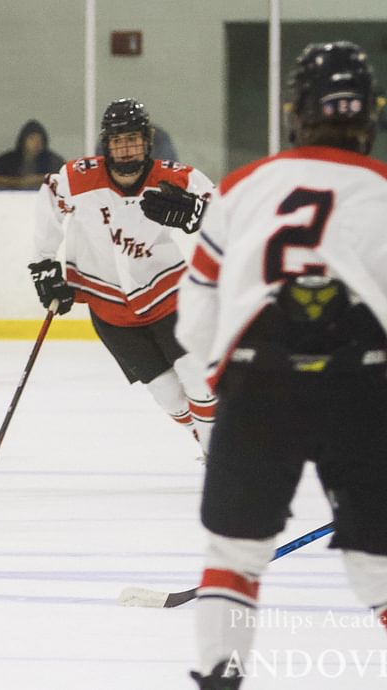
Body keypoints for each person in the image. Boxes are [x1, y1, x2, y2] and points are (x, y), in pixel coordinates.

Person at [176, 41, 387, 689]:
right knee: (381, 568)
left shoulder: (245, 185)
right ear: (369, 114)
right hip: (365, 384)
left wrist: (232, 387)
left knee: (234, 558)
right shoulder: (383, 190)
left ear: (296, 113)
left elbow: (196, 312)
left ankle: (219, 677)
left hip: (259, 379)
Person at [29, 98, 216, 459]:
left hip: (170, 298)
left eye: (132, 139)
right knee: (167, 394)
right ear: (106, 144)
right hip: (110, 308)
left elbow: (223, 211)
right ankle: (208, 442)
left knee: (196, 376)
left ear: (146, 140)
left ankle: (220, 456)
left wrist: (198, 213)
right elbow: (49, 198)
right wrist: (43, 264)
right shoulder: (78, 178)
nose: (125, 148)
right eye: (118, 141)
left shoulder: (173, 177)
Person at [0, 119, 64, 190]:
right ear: (23, 140)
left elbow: (68, 177)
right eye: (32, 139)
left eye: (40, 140)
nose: (36, 144)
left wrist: (42, 179)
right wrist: (17, 182)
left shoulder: (52, 160)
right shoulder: (9, 158)